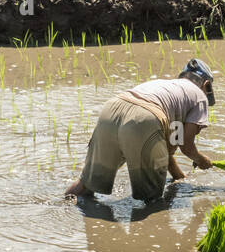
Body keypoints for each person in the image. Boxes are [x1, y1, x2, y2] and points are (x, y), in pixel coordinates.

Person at [65, 58, 217, 201]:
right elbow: (187, 147)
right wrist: (202, 160)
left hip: (112, 110)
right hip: (143, 118)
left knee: (84, 186)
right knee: (152, 202)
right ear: (206, 85)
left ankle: (62, 210)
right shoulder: (199, 96)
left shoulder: (165, 86)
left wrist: (179, 178)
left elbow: (166, 152)